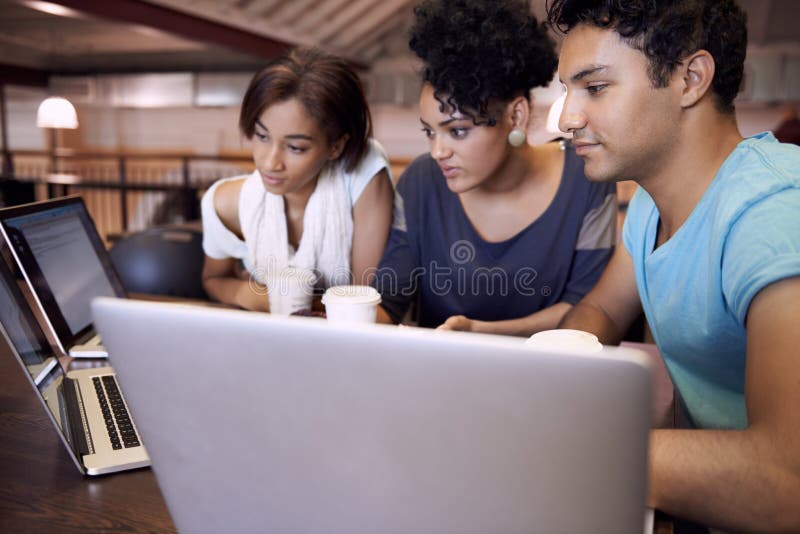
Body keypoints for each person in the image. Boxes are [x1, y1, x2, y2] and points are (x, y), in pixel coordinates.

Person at [547, 0, 800, 531]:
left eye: (594, 88)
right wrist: (548, 378)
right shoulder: (648, 205)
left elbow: (787, 481)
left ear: (690, 79)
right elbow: (600, 309)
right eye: (568, 90)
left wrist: (576, 448)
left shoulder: (773, 212)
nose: (568, 118)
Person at [373, 0, 616, 335]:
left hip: (547, 373)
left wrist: (480, 332)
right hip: (438, 374)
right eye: (429, 132)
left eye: (458, 131)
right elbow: (389, 300)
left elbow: (587, 307)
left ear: (516, 116)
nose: (438, 151)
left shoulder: (586, 178)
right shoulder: (421, 182)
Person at [201, 47, 394, 312]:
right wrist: (249, 295)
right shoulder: (225, 205)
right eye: (261, 136)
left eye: (296, 148)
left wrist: (292, 304)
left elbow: (364, 302)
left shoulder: (363, 172)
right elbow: (213, 279)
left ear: (336, 147)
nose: (270, 162)